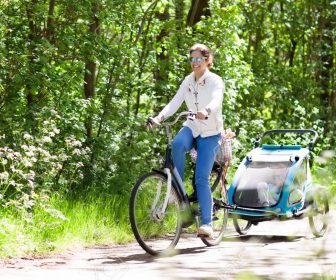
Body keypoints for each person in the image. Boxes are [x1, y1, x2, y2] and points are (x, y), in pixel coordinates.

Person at [147, 43, 225, 239]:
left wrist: (206, 111)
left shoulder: (215, 81)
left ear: (207, 60)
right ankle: (177, 191)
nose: (195, 63)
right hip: (192, 126)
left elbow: (216, 101)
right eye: (192, 59)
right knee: (177, 144)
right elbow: (174, 102)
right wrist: (159, 118)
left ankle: (206, 223)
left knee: (201, 178)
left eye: (199, 59)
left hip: (210, 131)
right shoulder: (188, 81)